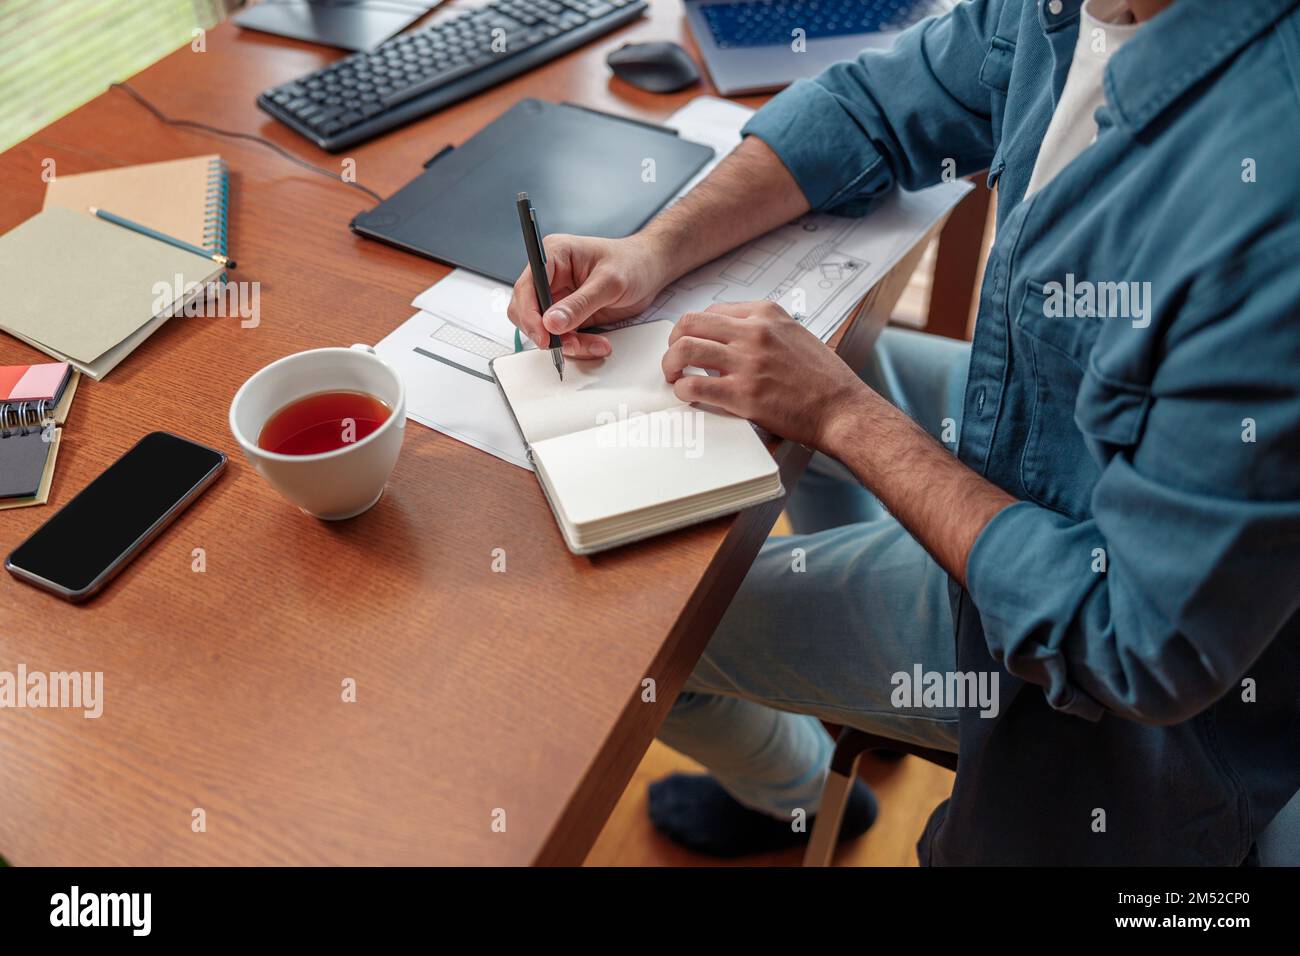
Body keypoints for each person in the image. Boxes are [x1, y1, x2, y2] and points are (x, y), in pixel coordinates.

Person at [507, 0, 1300, 864]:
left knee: (625, 630)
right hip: (1052, 430)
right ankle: (862, 713)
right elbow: (873, 107)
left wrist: (844, 416)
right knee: (814, 376)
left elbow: (1132, 643)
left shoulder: (1269, 199)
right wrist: (654, 251)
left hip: (1106, 667)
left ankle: (794, 796)